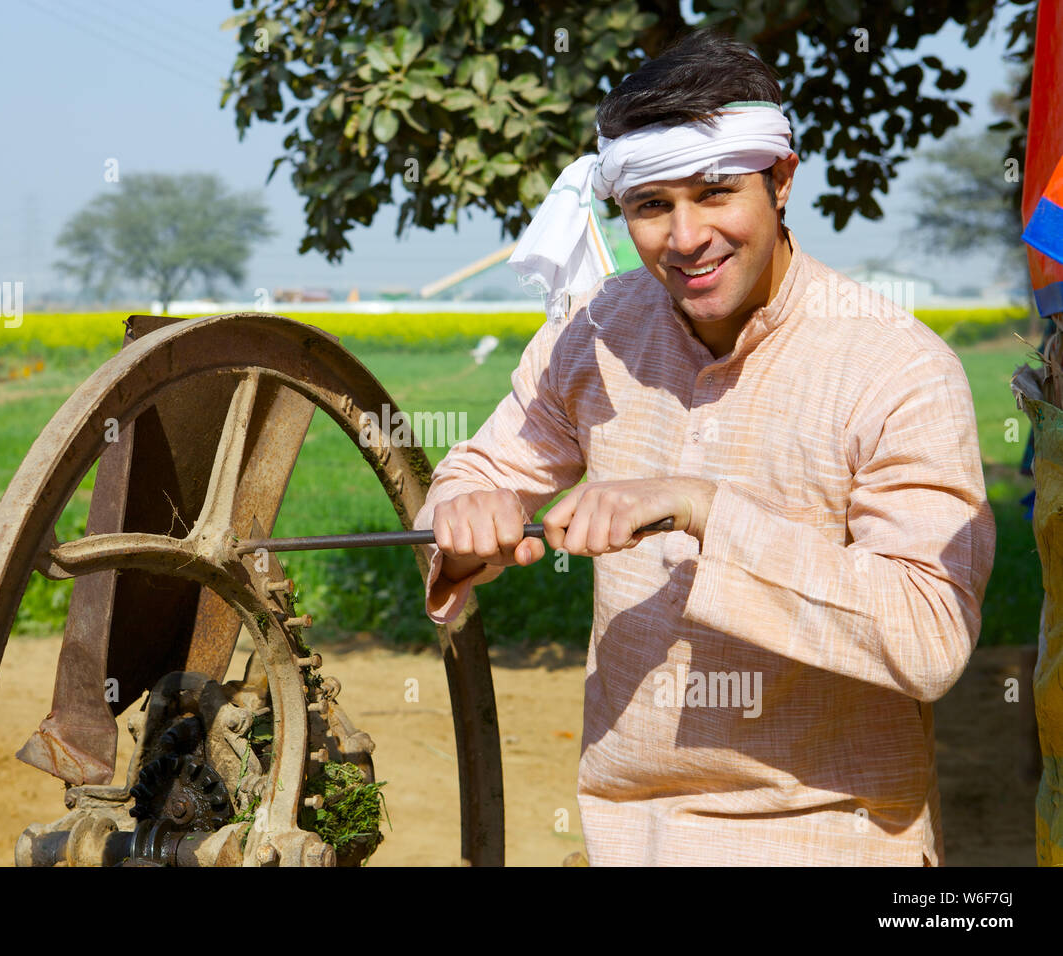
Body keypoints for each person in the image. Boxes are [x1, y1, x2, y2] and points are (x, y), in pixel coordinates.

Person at [413, 29, 996, 866]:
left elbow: (927, 635)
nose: (685, 237)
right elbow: (477, 471)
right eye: (652, 206)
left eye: (716, 194)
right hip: (627, 829)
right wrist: (462, 517)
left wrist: (704, 508)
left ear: (782, 180)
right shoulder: (596, 332)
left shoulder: (897, 366)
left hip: (833, 830)